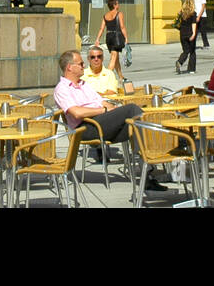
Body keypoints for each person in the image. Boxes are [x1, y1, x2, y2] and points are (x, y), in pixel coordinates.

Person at [53, 50, 163, 190]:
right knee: (131, 109)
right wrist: (104, 111)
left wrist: (113, 109)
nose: (83, 66)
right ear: (70, 67)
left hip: (102, 123)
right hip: (85, 128)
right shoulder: (62, 89)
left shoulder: (84, 84)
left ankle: (147, 175)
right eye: (80, 63)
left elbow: (103, 102)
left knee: (135, 124)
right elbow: (77, 113)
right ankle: (164, 142)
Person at [94, 0, 127, 82]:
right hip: (116, 37)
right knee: (113, 58)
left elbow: (101, 28)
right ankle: (105, 79)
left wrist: (97, 39)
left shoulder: (106, 15)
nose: (118, 5)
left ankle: (121, 76)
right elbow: (122, 27)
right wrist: (126, 38)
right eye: (117, 4)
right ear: (115, 5)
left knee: (116, 58)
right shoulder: (119, 14)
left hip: (109, 37)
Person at [174, 0, 199, 75]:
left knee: (185, 51)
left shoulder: (181, 13)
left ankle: (179, 61)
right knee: (192, 51)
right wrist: (194, 34)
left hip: (182, 33)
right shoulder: (193, 13)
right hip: (190, 33)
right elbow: (193, 24)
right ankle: (191, 69)